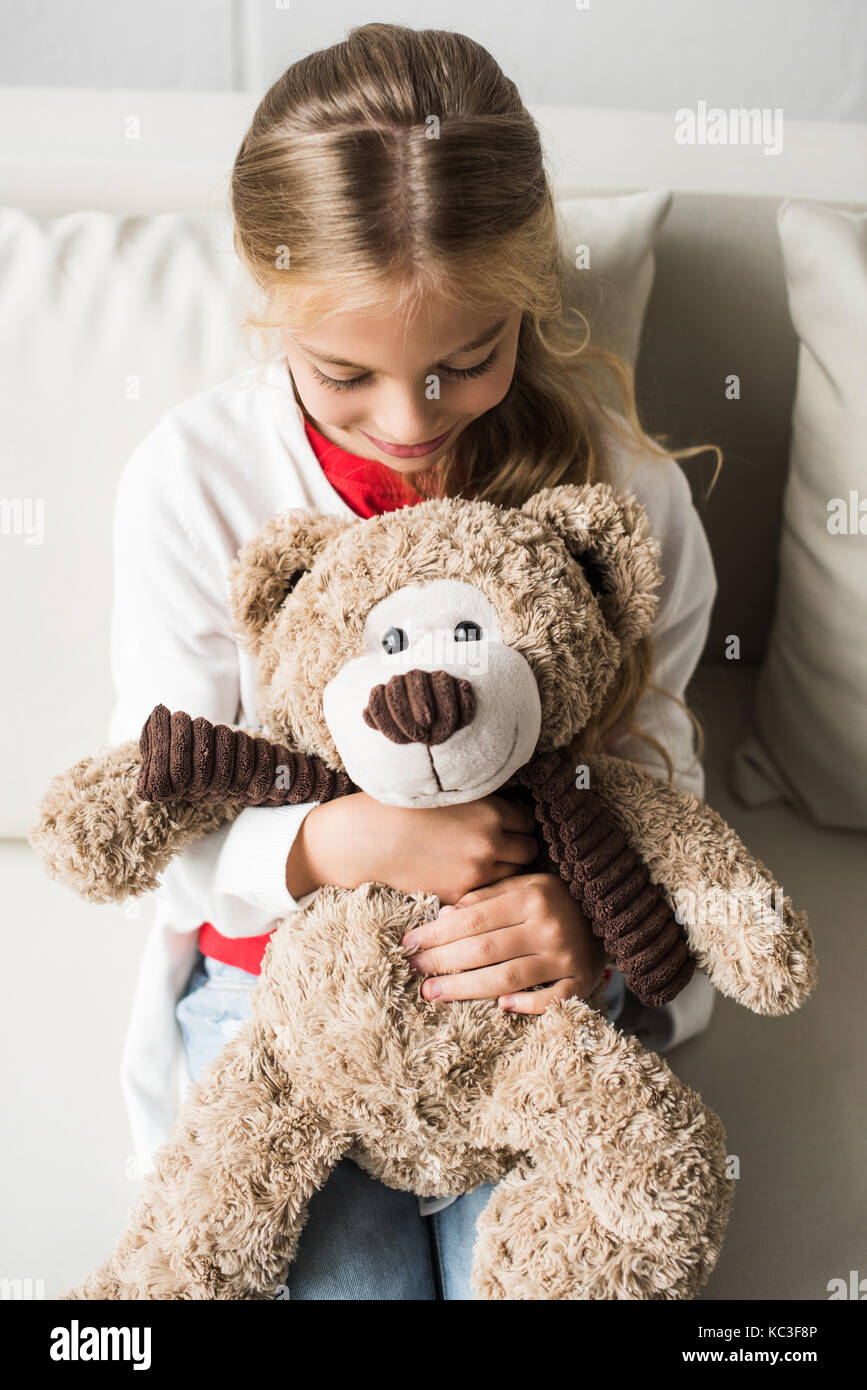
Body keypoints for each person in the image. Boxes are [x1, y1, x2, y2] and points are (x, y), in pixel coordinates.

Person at [110, 22, 720, 1300]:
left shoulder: (629, 494)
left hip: (529, 1007)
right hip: (286, 1005)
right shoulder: (195, 479)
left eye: (466, 361)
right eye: (345, 375)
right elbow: (164, 799)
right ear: (268, 301)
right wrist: (336, 844)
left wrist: (592, 934)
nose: (407, 423)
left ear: (527, 294)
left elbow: (661, 771)